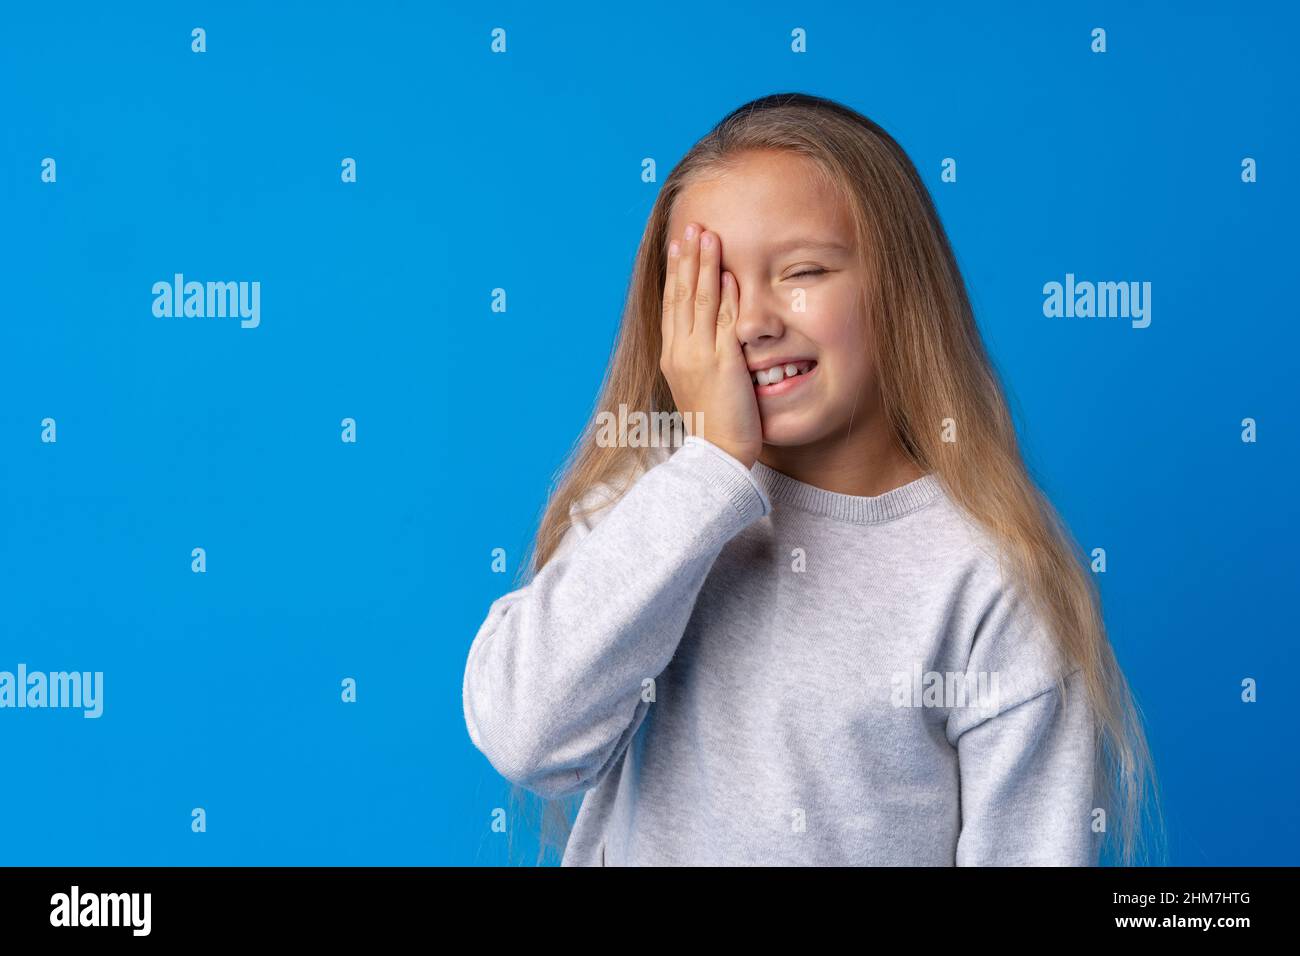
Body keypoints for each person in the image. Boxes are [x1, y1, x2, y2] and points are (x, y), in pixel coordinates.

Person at [462, 92, 1159, 866]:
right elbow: (527, 737)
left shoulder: (989, 581)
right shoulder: (647, 509)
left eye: (802, 272)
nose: (755, 321)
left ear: (900, 292)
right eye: (714, 285)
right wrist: (711, 469)